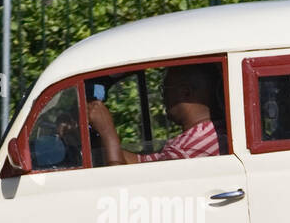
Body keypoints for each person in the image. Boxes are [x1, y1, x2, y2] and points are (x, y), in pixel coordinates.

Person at [86, 65, 226, 165]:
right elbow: (142, 162)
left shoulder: (189, 151)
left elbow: (122, 190)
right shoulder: (210, 134)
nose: (162, 96)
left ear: (185, 93)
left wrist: (108, 133)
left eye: (164, 89)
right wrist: (97, 140)